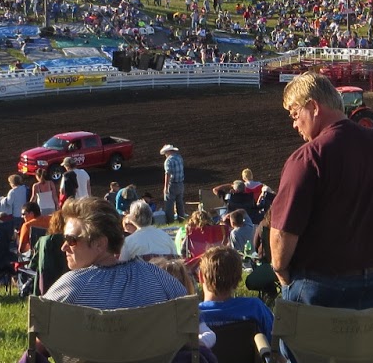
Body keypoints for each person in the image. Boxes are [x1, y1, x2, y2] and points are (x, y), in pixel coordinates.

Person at [269, 71, 373, 309]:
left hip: (319, 285)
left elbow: (283, 233)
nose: (294, 124)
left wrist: (280, 270)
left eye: (294, 114)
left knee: (304, 346)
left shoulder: (307, 158)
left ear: (313, 107)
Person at [44, 198, 190, 310]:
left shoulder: (71, 286)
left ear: (100, 243)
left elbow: (37, 339)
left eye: (71, 240)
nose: (63, 247)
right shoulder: (160, 279)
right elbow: (191, 322)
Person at [196, 246, 273, 339]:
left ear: (200, 276)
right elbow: (274, 342)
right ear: (239, 279)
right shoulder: (255, 308)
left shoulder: (192, 316)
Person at [161, 144, 186, 225]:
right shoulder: (179, 158)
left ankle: (170, 222)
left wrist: (166, 187)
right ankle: (181, 219)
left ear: (168, 152)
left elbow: (167, 174)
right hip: (180, 183)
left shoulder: (169, 161)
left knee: (169, 204)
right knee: (180, 203)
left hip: (172, 184)